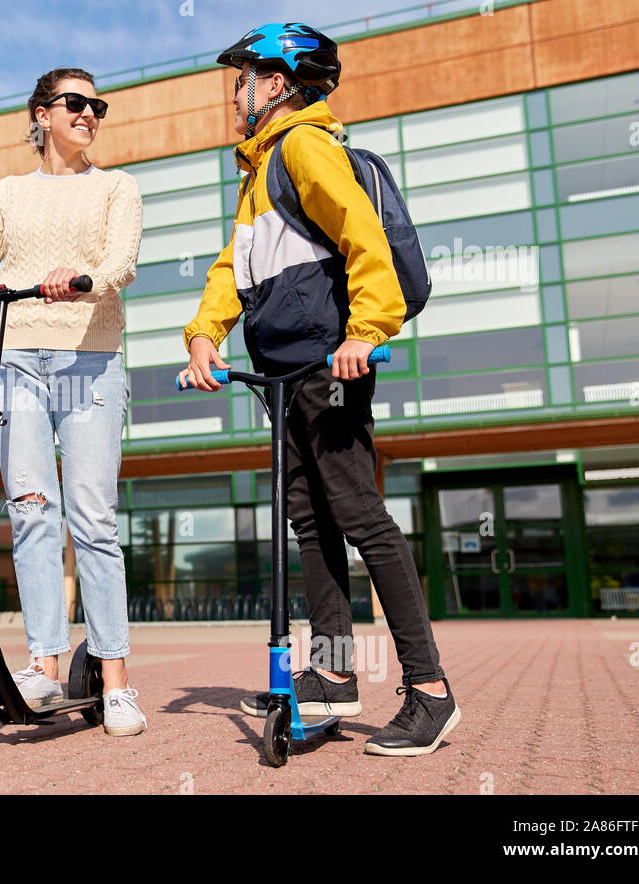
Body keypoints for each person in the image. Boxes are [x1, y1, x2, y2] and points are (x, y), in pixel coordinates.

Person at [179, 23, 461, 756]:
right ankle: (334, 675)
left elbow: (362, 236)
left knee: (360, 516)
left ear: (275, 83)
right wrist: (204, 334)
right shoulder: (258, 171)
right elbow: (228, 269)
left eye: (243, 78)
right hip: (283, 374)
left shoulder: (304, 146)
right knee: (312, 520)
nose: (234, 92)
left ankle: (430, 690)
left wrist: (367, 330)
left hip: (325, 369)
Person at [0, 68, 146, 736]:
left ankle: (114, 681)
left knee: (91, 517)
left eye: (97, 106)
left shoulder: (116, 187)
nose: (89, 114)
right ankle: (47, 667)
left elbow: (121, 263)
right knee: (30, 510)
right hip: (15, 357)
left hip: (90, 357)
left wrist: (80, 281)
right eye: (76, 103)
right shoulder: (7, 192)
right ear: (41, 114)